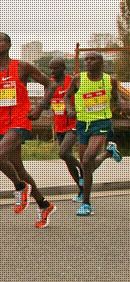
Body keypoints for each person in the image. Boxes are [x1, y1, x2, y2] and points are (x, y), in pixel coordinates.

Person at [0, 32, 58, 228]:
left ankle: (20, 187)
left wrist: (40, 106)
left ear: (9, 45)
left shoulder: (22, 66)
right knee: (19, 169)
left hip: (21, 120)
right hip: (1, 123)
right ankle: (44, 204)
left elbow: (51, 84)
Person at [64, 51, 130, 216]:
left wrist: (122, 103)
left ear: (101, 63)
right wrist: (70, 109)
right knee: (86, 164)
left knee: (87, 159)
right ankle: (108, 153)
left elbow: (115, 98)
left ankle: (86, 204)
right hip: (82, 124)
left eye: (92, 59)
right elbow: (67, 97)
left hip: (101, 123)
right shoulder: (78, 79)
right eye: (86, 59)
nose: (88, 62)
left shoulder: (110, 80)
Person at [47, 57, 83, 202]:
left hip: (73, 123)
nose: (53, 71)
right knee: (67, 160)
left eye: (55, 68)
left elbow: (81, 97)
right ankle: (81, 190)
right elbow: (49, 101)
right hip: (59, 125)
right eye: (51, 68)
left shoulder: (72, 81)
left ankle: (84, 168)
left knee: (63, 153)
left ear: (63, 68)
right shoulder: (50, 83)